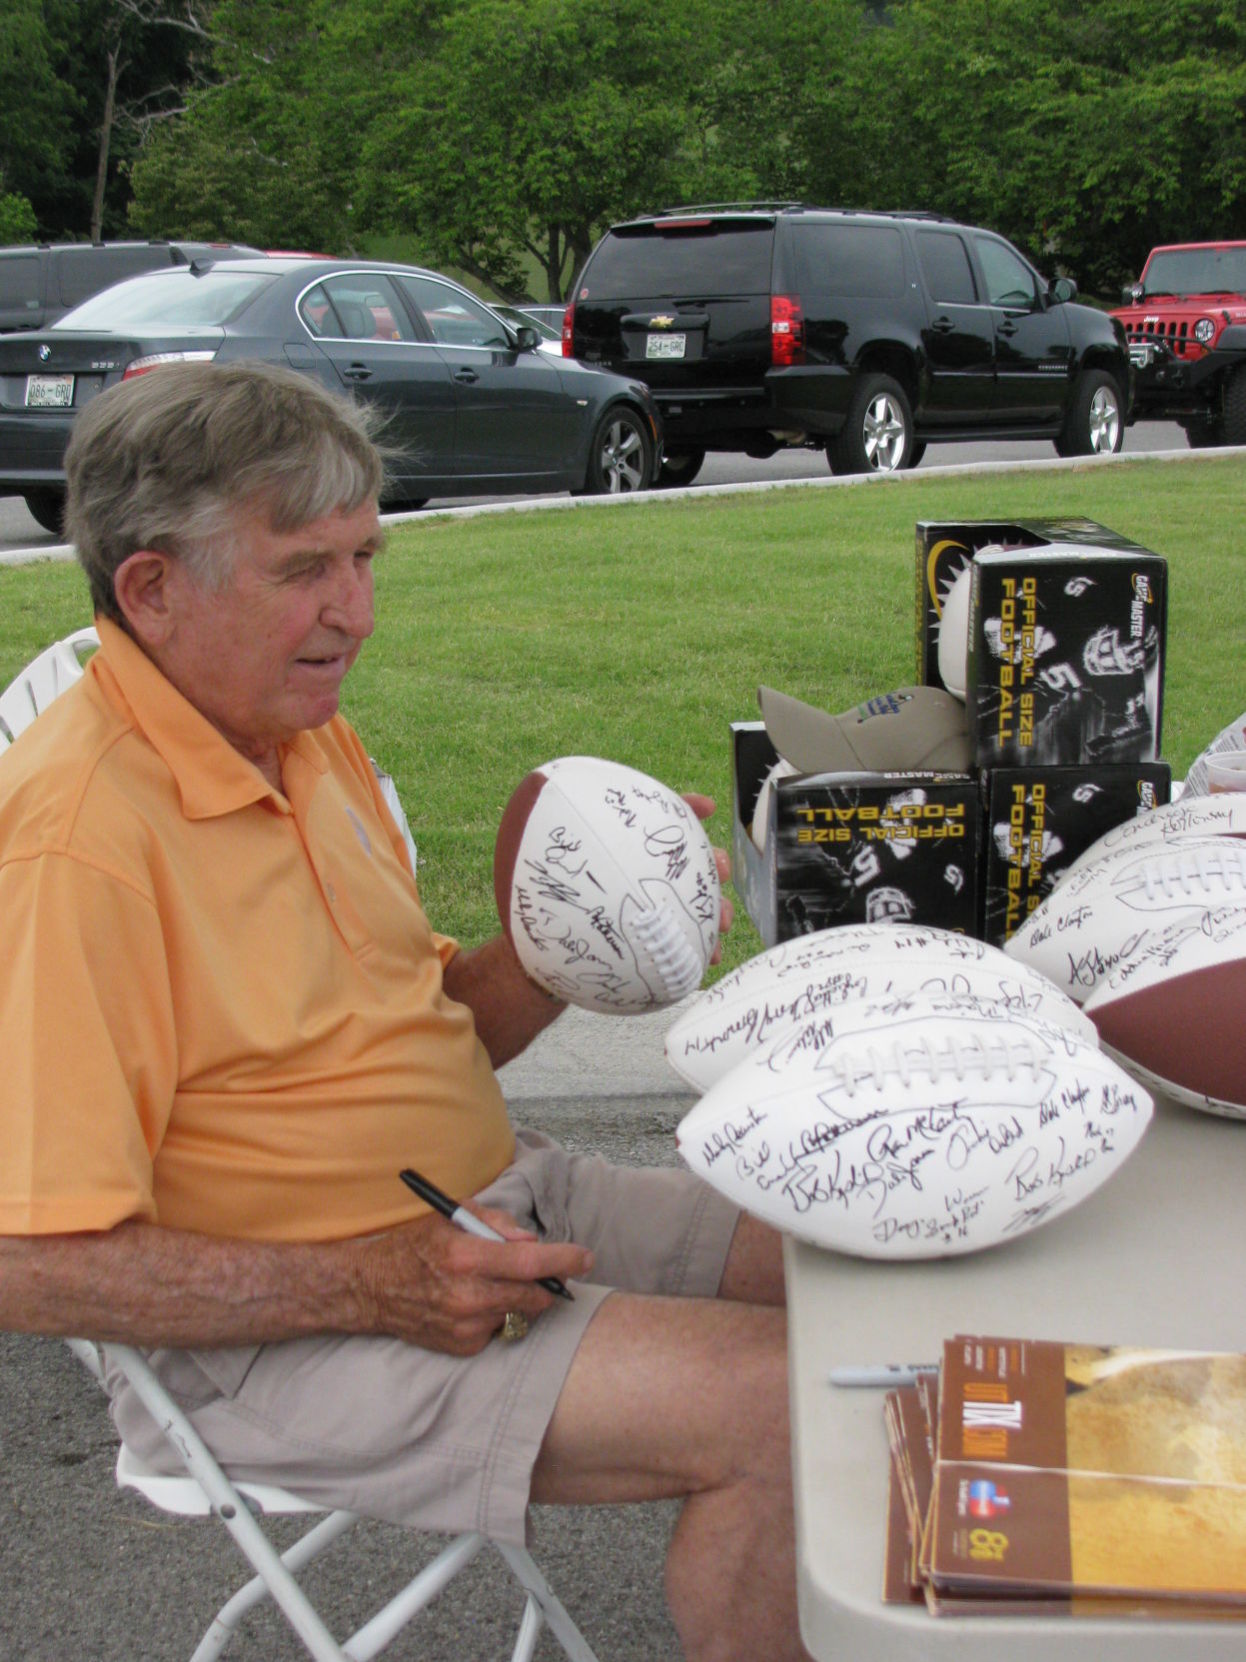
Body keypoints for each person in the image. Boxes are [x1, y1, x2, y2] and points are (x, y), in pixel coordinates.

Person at [0, 361, 810, 1662]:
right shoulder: (74, 848)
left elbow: (417, 1021)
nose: (356, 613)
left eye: (366, 558)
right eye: (304, 569)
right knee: (796, 1412)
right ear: (151, 589)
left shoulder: (296, 729)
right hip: (284, 1332)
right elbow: (28, 1260)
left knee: (856, 1249)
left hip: (475, 1198)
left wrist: (571, 938)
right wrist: (371, 1280)